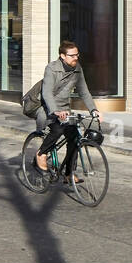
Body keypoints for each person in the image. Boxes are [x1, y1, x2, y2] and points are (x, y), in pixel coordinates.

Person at [34, 40, 100, 174]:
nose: (76, 58)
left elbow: (84, 91)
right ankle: (41, 153)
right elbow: (46, 93)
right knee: (58, 129)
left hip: (65, 110)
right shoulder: (51, 68)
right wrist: (55, 111)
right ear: (62, 56)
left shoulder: (77, 69)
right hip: (48, 109)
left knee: (75, 137)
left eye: (77, 55)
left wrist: (93, 110)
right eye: (72, 55)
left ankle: (69, 173)